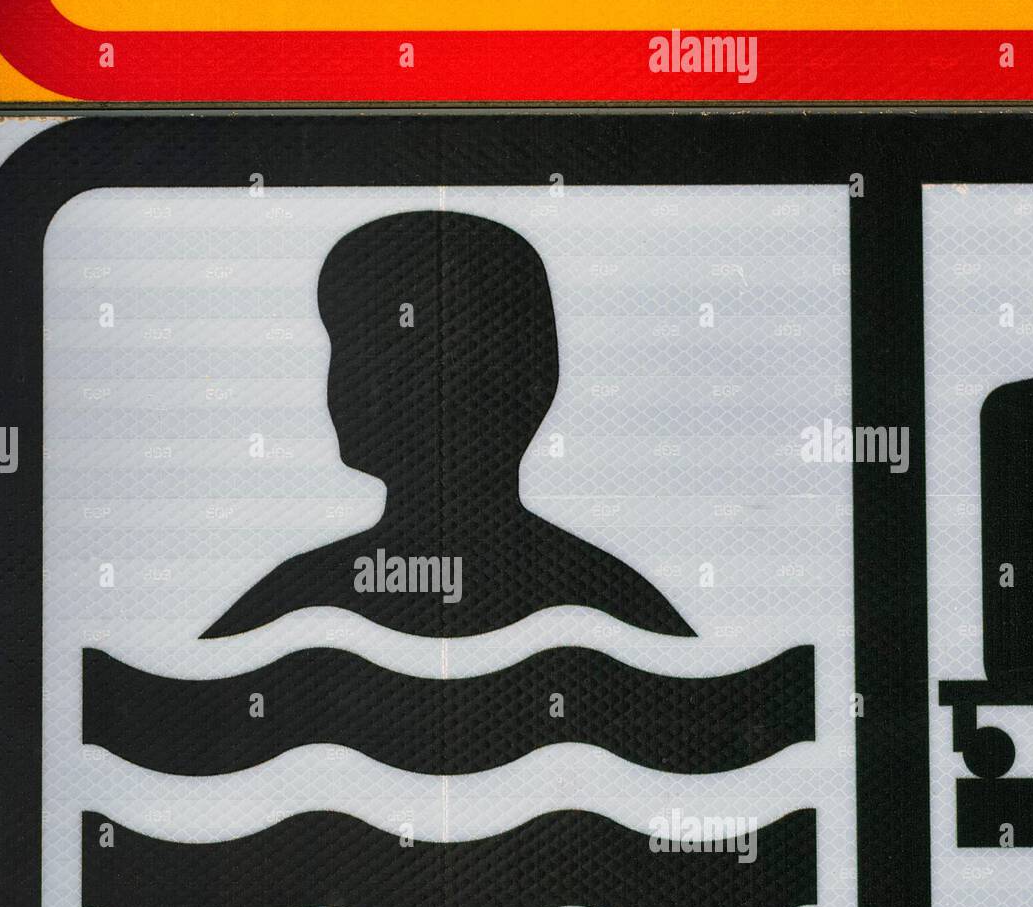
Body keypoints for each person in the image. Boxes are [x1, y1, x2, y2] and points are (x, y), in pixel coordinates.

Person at [202, 210, 694, 639]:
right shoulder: (610, 595)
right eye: (345, 351)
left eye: (372, 356)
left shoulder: (298, 597)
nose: (343, 387)